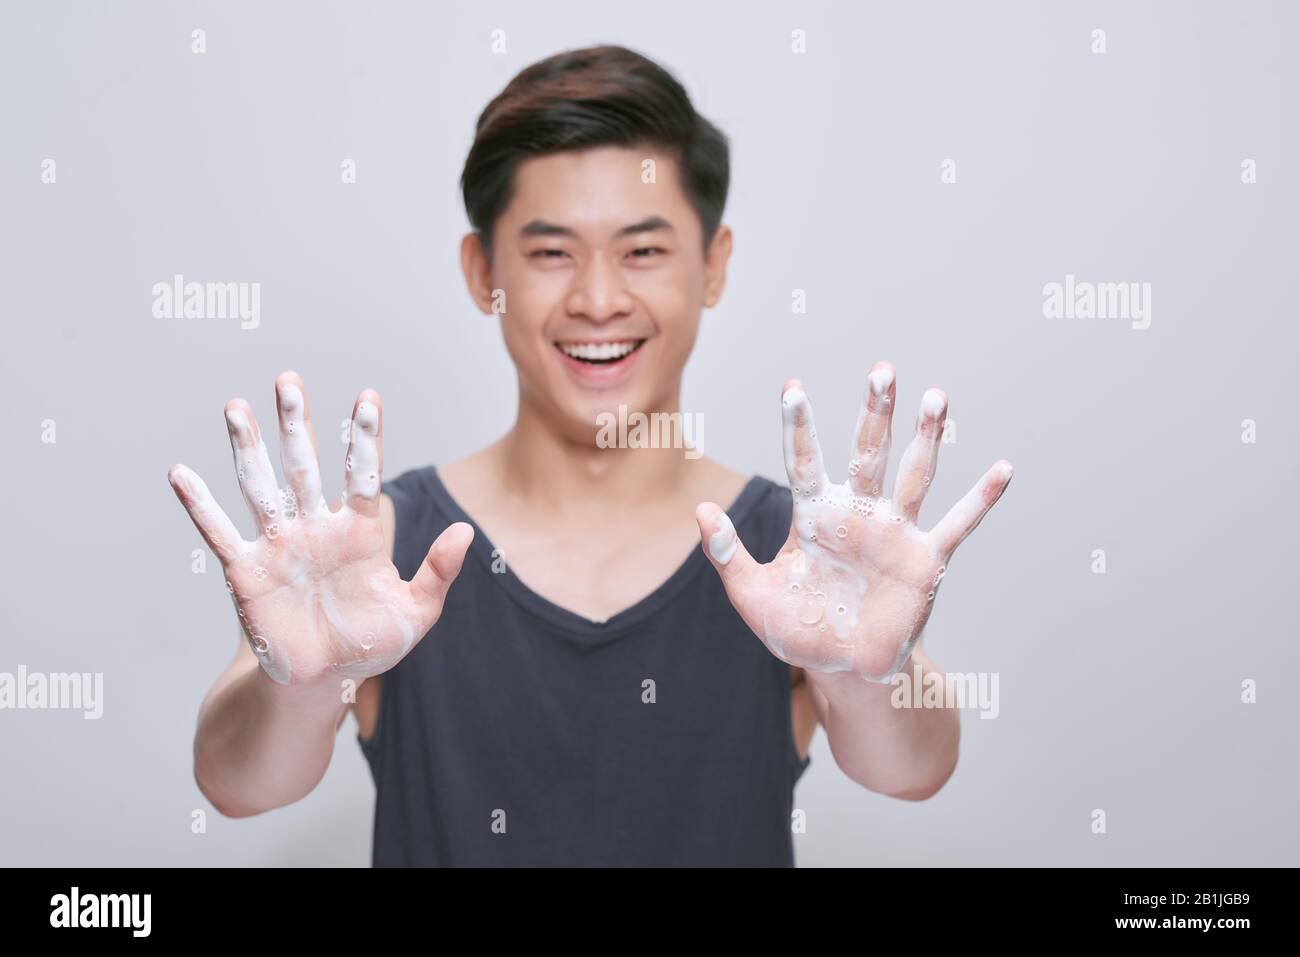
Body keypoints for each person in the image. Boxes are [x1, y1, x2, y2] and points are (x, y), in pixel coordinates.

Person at [166, 44, 1013, 866]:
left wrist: (866, 678)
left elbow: (912, 767)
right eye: (549, 252)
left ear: (713, 266)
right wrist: (302, 685)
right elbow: (237, 782)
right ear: (480, 269)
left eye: (644, 250)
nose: (599, 298)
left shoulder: (793, 557)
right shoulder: (387, 546)